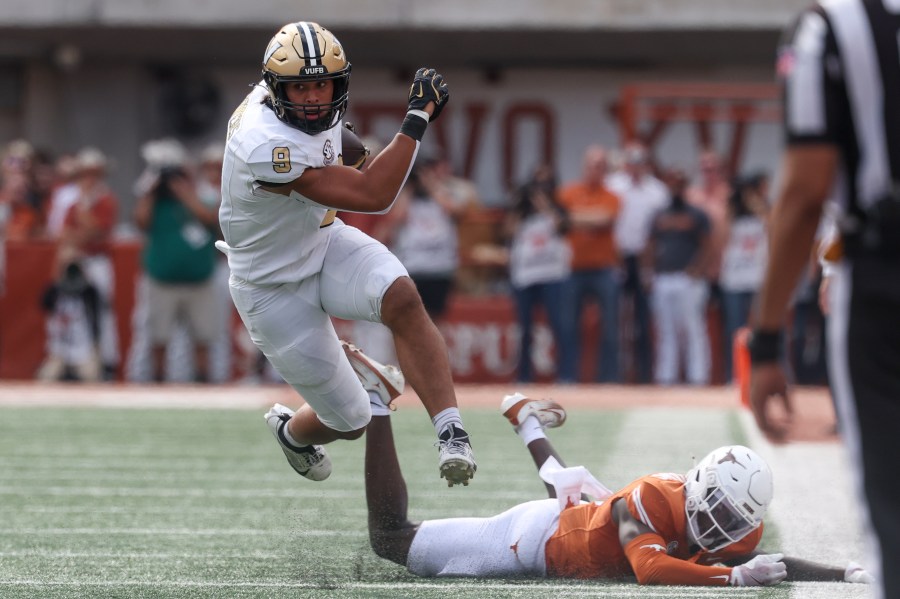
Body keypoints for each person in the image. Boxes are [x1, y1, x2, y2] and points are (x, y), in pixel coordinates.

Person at [218, 21, 475, 486]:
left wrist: (345, 148)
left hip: (322, 240)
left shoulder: (281, 97)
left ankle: (451, 431)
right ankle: (292, 433)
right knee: (352, 421)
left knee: (402, 297)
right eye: (301, 88)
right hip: (271, 285)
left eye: (323, 85)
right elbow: (376, 194)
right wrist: (416, 117)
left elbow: (339, 145)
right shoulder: (265, 143)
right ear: (278, 89)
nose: (315, 98)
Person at [363, 391, 873, 586]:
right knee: (389, 539)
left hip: (584, 529)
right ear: (698, 486)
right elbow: (649, 569)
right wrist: (734, 580)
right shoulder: (648, 499)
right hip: (531, 543)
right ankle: (379, 402)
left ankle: (526, 422)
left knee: (581, 507)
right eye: (718, 506)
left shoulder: (733, 531)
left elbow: (769, 557)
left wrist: (845, 572)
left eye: (735, 518)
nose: (722, 525)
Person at [748, 2, 900, 597]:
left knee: (890, 494)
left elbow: (807, 188)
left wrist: (764, 339)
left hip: (885, 271)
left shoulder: (830, 27)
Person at [133, 138, 220, 383]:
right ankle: (158, 381)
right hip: (162, 279)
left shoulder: (203, 193)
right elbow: (141, 221)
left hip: (199, 280)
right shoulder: (154, 199)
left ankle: (203, 382)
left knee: (204, 338)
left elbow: (209, 218)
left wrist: (184, 191)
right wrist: (151, 188)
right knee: (158, 338)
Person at [557, 145, 621, 383]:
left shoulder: (612, 196)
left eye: (602, 166)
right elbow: (558, 219)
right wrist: (588, 218)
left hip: (603, 268)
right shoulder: (568, 192)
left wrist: (574, 218)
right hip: (574, 268)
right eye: (594, 165)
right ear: (585, 167)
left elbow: (606, 218)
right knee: (568, 326)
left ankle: (609, 379)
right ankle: (567, 377)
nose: (597, 170)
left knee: (610, 328)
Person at [503, 164, 571, 383]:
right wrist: (519, 204)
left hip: (552, 274)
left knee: (558, 324)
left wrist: (544, 205)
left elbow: (563, 226)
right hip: (525, 276)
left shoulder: (557, 208)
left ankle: (566, 375)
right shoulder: (521, 211)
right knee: (524, 328)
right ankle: (524, 376)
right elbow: (507, 232)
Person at [607, 143, 668, 383]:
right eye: (631, 162)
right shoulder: (613, 186)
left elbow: (660, 232)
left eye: (639, 162)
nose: (635, 167)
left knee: (644, 318)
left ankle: (644, 374)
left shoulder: (657, 191)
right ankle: (616, 374)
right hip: (618, 257)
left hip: (645, 260)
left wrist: (650, 264)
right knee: (617, 318)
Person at [645, 169, 712, 385]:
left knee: (693, 329)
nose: (676, 188)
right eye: (673, 184)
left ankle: (698, 377)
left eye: (680, 184)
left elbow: (709, 244)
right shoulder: (659, 214)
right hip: (663, 277)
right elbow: (650, 245)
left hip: (688, 279)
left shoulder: (696, 214)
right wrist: (648, 271)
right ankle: (666, 377)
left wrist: (697, 269)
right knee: (666, 331)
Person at [719, 173, 769, 383]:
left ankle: (761, 376)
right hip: (734, 280)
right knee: (734, 329)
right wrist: (731, 206)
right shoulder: (731, 215)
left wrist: (755, 201)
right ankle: (736, 376)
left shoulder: (763, 211)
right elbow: (720, 238)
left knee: (763, 330)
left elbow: (772, 226)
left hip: (757, 279)